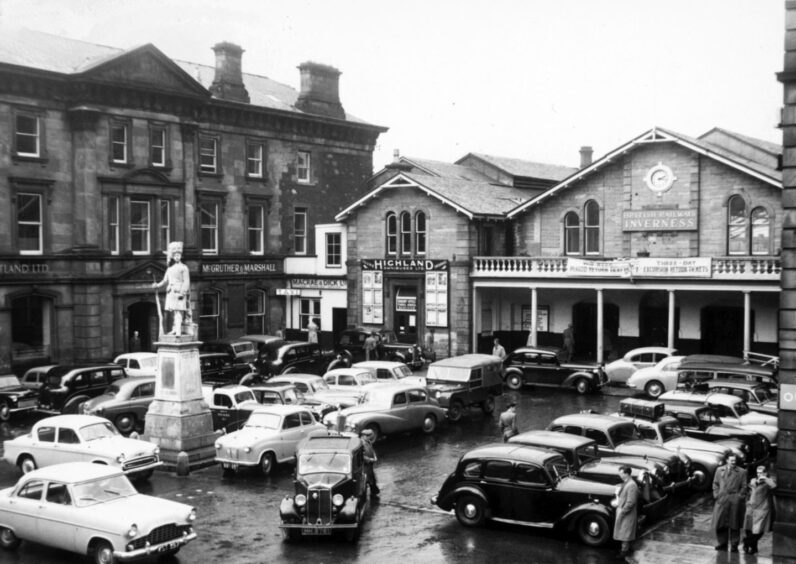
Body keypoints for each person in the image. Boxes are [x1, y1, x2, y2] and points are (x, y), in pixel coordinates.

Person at [152, 241, 191, 336]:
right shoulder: (169, 269)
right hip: (171, 292)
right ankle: (174, 329)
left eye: (179, 255)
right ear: (173, 257)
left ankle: (178, 330)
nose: (177, 257)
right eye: (175, 255)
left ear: (181, 256)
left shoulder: (184, 268)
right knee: (173, 312)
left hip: (179, 292)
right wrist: (157, 285)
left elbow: (186, 281)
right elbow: (165, 281)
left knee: (178, 312)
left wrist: (183, 292)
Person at [712, 454, 748, 552]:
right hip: (722, 499)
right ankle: (722, 543)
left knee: (734, 524)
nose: (733, 462)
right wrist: (717, 495)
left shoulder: (742, 472)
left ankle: (734, 545)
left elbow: (744, 486)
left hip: (734, 500)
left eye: (734, 460)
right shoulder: (719, 470)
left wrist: (739, 497)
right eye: (731, 460)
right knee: (720, 523)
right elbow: (715, 483)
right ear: (727, 460)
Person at [743, 465, 776, 555]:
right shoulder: (753, 480)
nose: (759, 474)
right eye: (758, 473)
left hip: (762, 509)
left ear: (765, 473)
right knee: (749, 529)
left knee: (759, 530)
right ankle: (753, 548)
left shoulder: (768, 481)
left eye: (761, 473)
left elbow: (774, 486)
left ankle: (747, 542)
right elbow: (748, 491)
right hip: (751, 507)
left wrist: (765, 478)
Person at [613, 465, 639, 559]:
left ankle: (624, 552)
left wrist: (622, 512)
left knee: (625, 533)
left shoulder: (631, 485)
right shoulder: (627, 483)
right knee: (624, 532)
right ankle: (624, 550)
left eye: (621, 473)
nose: (619, 475)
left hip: (627, 513)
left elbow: (630, 502)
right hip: (625, 512)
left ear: (627, 474)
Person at [360, 428, 380, 497]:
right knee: (366, 480)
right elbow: (362, 456)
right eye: (368, 436)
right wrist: (370, 459)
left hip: (370, 466)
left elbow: (372, 450)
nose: (369, 438)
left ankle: (374, 492)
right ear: (364, 436)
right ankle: (364, 496)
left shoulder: (368, 442)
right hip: (365, 466)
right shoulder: (361, 444)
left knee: (372, 479)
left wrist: (374, 456)